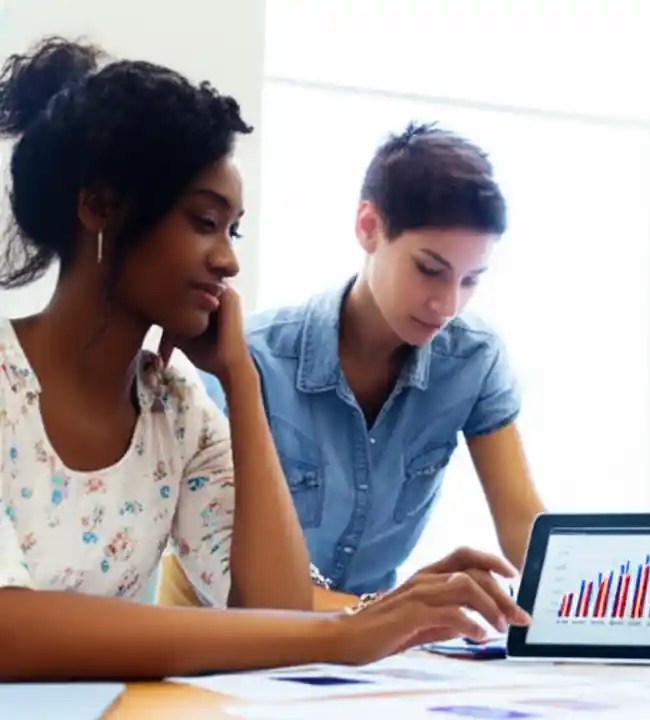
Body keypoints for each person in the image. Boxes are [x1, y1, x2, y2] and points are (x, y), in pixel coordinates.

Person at [0, 37, 527, 680]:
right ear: (101, 207)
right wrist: (348, 632)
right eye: (203, 221)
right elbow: (10, 630)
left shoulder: (178, 408)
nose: (228, 260)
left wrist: (240, 382)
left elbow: (280, 611)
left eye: (233, 230)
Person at [157, 122, 546, 611]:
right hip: (222, 641)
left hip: (358, 658)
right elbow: (233, 581)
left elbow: (525, 531)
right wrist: (388, 616)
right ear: (368, 227)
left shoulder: (473, 361)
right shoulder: (246, 358)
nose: (447, 304)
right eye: (430, 269)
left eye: (471, 280)